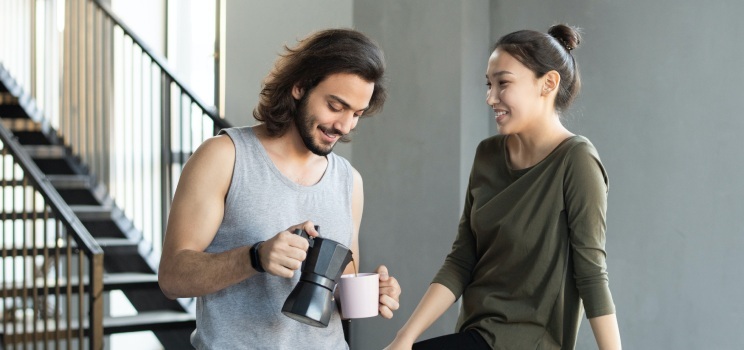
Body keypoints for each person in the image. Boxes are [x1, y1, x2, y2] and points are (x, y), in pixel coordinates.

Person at [158, 28, 401, 349]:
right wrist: (255, 257)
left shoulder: (349, 181)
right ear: (299, 86)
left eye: (356, 114)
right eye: (335, 105)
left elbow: (337, 290)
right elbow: (173, 278)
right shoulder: (224, 156)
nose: (344, 126)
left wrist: (373, 294)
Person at [386, 25, 622, 350]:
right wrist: (404, 339)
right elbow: (461, 260)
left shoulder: (577, 161)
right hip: (476, 334)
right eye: (489, 84)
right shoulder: (487, 155)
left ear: (548, 84)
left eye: (503, 83)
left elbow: (592, 274)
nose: (490, 97)